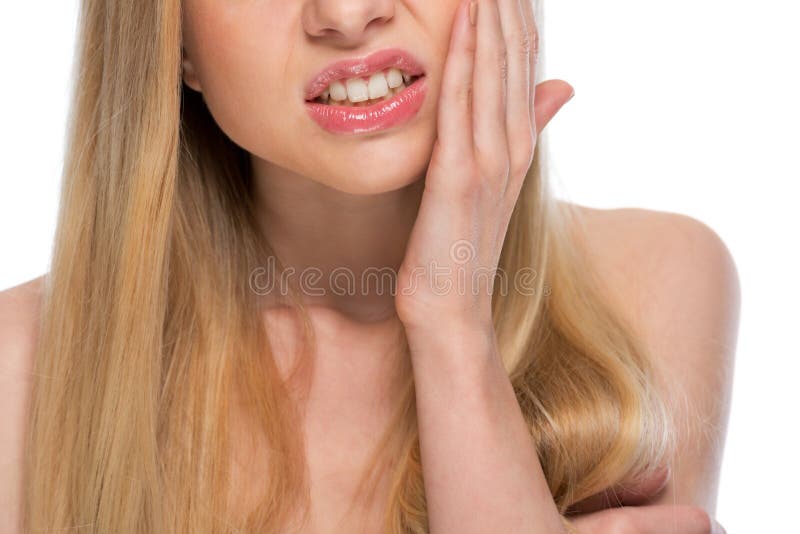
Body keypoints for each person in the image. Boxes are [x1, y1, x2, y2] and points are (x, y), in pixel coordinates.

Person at [0, 0, 739, 532]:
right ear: (174, 39)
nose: (347, 14)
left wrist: (451, 320)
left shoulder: (655, 283)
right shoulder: (23, 369)